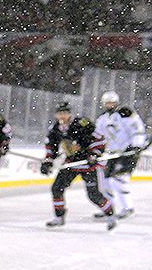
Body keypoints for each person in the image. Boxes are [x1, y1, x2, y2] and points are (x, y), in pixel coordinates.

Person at [42, 102, 114, 230]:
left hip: (87, 164)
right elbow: (51, 147)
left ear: (70, 114)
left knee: (94, 195)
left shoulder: (82, 124)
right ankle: (59, 217)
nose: (62, 116)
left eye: (65, 113)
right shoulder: (55, 129)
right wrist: (48, 161)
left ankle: (110, 214)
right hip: (71, 163)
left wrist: (94, 154)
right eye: (60, 114)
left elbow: (99, 140)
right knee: (56, 188)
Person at [93, 91, 143, 220]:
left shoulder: (125, 113)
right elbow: (97, 136)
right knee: (106, 182)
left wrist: (136, 145)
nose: (110, 105)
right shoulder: (102, 118)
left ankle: (127, 208)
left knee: (120, 180)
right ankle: (110, 209)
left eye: (112, 102)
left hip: (127, 152)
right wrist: (94, 150)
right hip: (112, 154)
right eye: (108, 103)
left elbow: (137, 129)